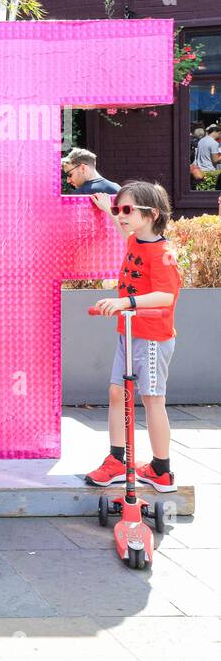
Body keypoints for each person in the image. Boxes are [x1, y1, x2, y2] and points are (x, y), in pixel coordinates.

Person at [84, 182, 182, 493]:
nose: (121, 215)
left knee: (152, 399)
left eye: (127, 210)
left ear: (152, 214)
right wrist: (106, 211)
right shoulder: (135, 241)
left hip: (152, 337)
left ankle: (161, 469)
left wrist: (126, 303)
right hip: (129, 332)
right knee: (117, 393)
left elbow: (166, 295)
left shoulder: (163, 253)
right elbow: (123, 231)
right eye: (119, 208)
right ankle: (116, 460)